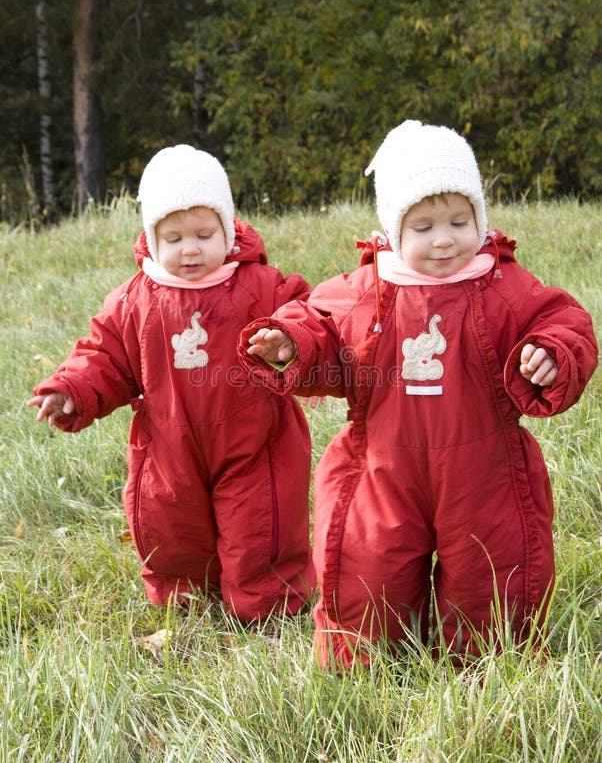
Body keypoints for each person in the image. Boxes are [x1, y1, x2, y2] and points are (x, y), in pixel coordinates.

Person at [239, 119, 598, 668]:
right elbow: (320, 324)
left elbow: (564, 319)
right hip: (382, 468)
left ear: (480, 219)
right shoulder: (368, 292)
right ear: (391, 229)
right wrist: (291, 345)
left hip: (486, 470)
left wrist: (550, 353)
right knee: (365, 567)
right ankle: (364, 662)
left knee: (494, 572)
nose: (444, 238)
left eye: (460, 220)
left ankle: (491, 667)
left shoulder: (502, 286)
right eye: (424, 225)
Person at [28, 144, 315, 621]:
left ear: (228, 230)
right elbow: (105, 356)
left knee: (261, 525)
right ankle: (187, 606)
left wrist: (292, 339)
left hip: (253, 442)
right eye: (175, 237)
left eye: (205, 234)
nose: (190, 249)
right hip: (168, 443)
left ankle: (269, 609)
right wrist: (71, 390)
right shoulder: (137, 299)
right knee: (170, 528)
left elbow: (306, 314)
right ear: (151, 238)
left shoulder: (261, 285)